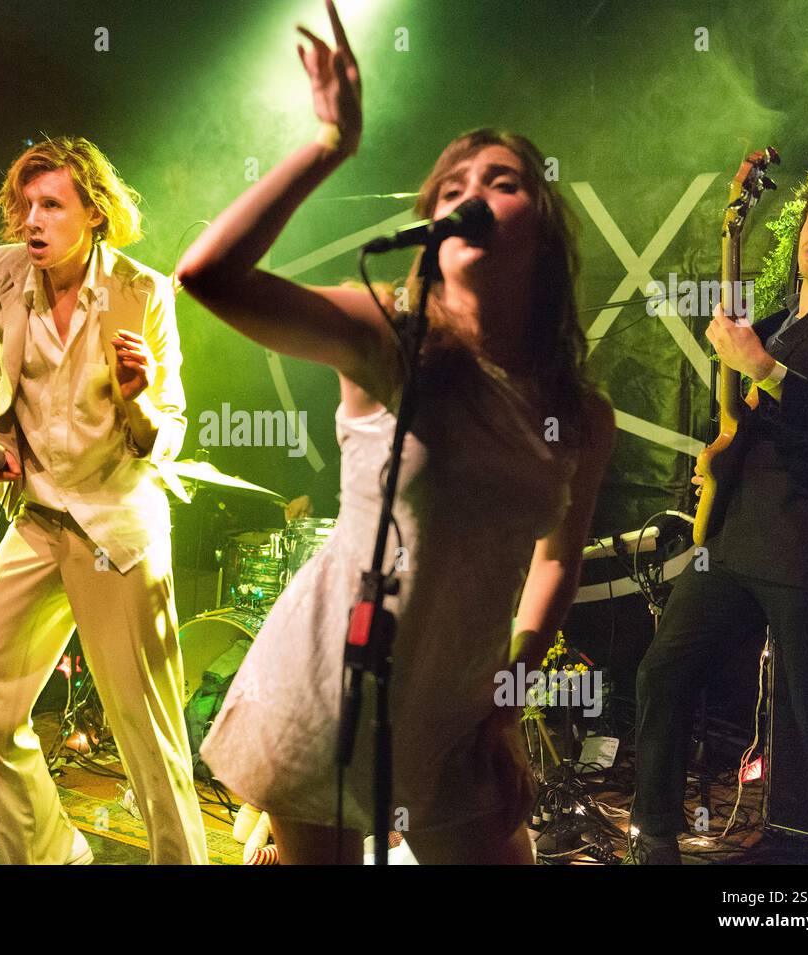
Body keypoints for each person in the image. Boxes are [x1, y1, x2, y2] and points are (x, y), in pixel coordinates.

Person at [176, 0, 615, 864]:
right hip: (330, 686)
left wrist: (508, 700)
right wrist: (328, 145)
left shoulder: (579, 410)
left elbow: (557, 560)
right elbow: (207, 274)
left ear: (544, 223)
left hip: (460, 709)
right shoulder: (388, 338)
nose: (471, 196)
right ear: (431, 231)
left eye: (501, 181)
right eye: (451, 189)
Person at [631, 156, 808, 863]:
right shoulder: (779, 320)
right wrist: (720, 450)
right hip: (737, 539)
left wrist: (763, 368)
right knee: (664, 668)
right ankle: (652, 834)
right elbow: (747, 422)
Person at [0, 136, 207, 865]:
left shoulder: (141, 291)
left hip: (116, 525)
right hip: (37, 517)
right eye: (25, 205)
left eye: (51, 205)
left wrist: (139, 397)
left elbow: (168, 436)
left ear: (92, 211)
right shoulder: (0, 274)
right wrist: (4, 446)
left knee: (146, 731)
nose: (33, 220)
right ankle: (52, 853)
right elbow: (0, 372)